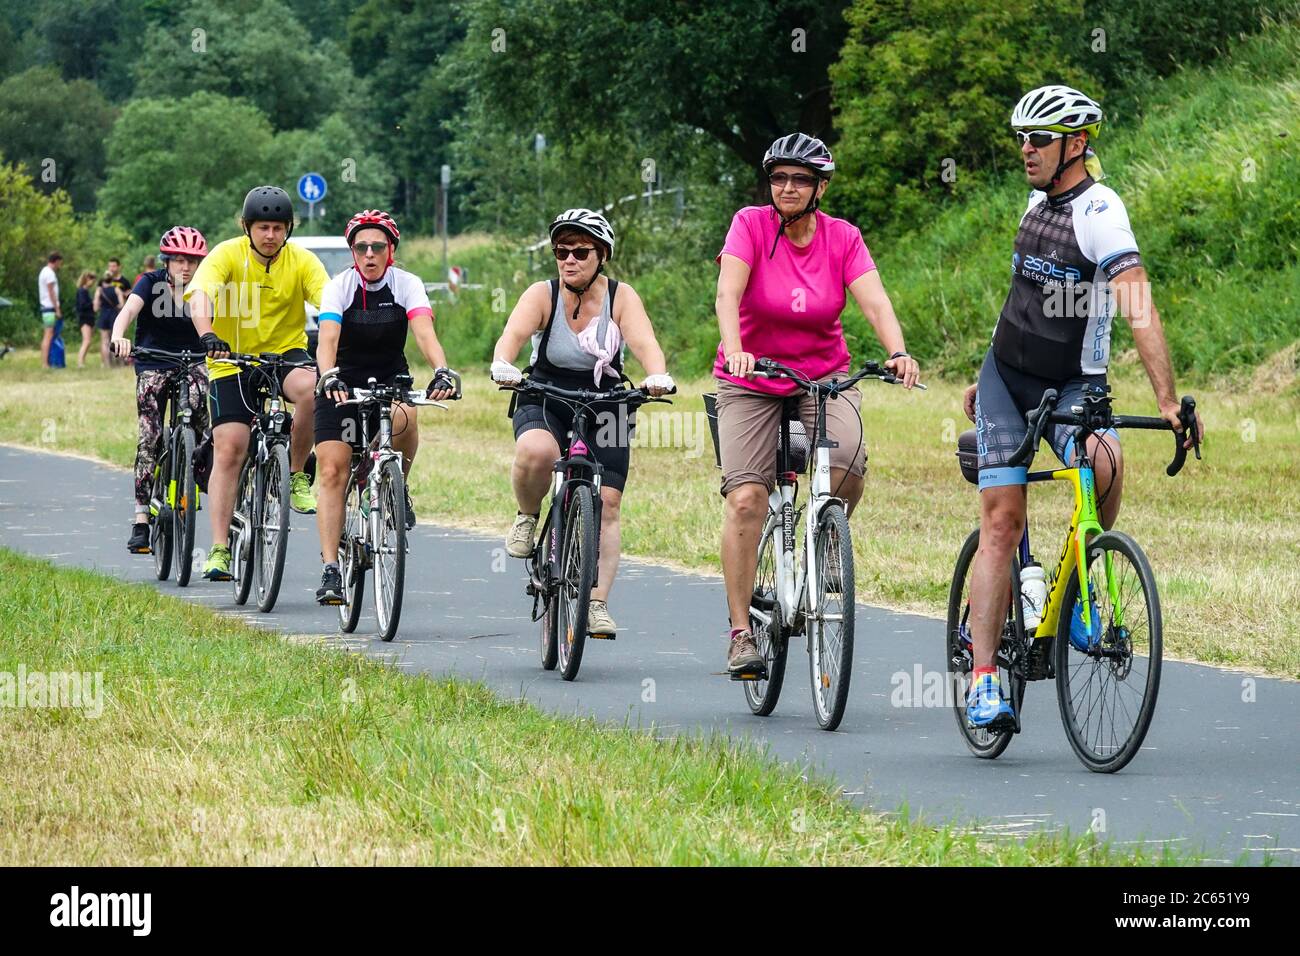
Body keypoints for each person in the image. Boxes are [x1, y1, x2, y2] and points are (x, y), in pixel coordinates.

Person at [960, 85, 1204, 729]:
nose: (1025, 149)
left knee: (1105, 467)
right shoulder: (1035, 201)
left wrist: (1165, 399)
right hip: (1007, 382)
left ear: (1077, 144)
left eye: (1038, 139)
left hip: (1074, 383)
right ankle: (986, 680)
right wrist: (983, 372)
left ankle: (1072, 596)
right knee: (1003, 523)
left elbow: (1139, 308)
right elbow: (1021, 294)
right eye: (1021, 138)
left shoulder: (1101, 213)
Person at [713, 133, 920, 675]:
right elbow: (727, 294)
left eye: (799, 179)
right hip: (751, 376)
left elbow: (874, 300)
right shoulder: (750, 224)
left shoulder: (842, 237)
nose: (786, 187)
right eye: (778, 177)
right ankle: (740, 633)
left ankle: (825, 541)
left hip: (821, 374)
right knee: (747, 500)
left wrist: (897, 351)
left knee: (848, 460)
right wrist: (736, 352)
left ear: (820, 187)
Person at [489, 208, 674, 636]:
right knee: (537, 451)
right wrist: (503, 363)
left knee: (607, 502)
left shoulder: (621, 297)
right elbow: (512, 337)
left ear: (602, 255)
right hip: (546, 392)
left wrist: (657, 375)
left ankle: (595, 604)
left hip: (607, 398)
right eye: (561, 251)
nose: (569, 259)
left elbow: (646, 342)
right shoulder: (543, 294)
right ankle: (527, 514)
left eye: (580, 251)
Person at [313, 209, 459, 604]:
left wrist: (442, 370)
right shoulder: (340, 287)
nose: (370, 254)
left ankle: (397, 485)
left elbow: (424, 333)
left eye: (378, 246)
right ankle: (330, 570)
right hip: (341, 385)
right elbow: (327, 341)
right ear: (353, 252)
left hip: (390, 380)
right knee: (332, 469)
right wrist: (328, 376)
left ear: (391, 249)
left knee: (406, 416)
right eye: (361, 247)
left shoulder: (406, 284)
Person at [184, 185, 328, 582]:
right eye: (263, 227)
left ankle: (297, 472)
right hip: (231, 359)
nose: (270, 235)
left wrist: (343, 336)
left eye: (278, 228)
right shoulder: (227, 254)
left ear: (289, 230)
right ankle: (218, 549)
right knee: (230, 447)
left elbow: (329, 303)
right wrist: (208, 334)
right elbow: (200, 295)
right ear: (247, 228)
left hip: (285, 356)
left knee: (313, 389)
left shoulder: (302, 261)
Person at [110, 227, 211, 553]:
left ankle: (191, 479)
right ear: (167, 261)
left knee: (203, 423)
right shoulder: (150, 283)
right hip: (153, 360)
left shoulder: (206, 286)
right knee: (149, 437)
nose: (185, 267)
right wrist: (119, 336)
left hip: (193, 361)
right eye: (179, 260)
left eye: (192, 261)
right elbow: (127, 312)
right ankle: (141, 520)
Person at [94, 258, 130, 367]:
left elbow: (96, 304)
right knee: (118, 339)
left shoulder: (123, 282)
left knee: (105, 340)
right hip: (115, 313)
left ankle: (107, 363)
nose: (112, 268)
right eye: (110, 266)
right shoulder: (116, 289)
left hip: (105, 313)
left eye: (114, 266)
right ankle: (119, 362)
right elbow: (122, 304)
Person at [37, 252, 62, 369]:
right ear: (56, 261)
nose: (60, 266)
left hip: (46, 308)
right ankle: (45, 363)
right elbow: (51, 292)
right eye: (60, 263)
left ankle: (46, 362)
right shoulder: (50, 273)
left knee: (48, 334)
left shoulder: (44, 271)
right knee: (48, 335)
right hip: (49, 308)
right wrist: (57, 308)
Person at [74, 270, 97, 367]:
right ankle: (80, 362)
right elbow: (82, 305)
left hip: (89, 318)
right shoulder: (82, 291)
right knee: (86, 340)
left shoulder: (86, 291)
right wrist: (93, 303)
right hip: (85, 319)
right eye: (91, 279)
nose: (92, 282)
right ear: (86, 279)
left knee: (88, 341)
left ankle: (82, 360)